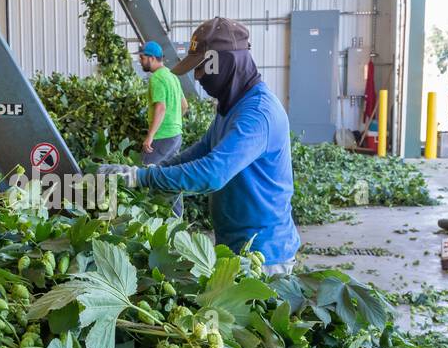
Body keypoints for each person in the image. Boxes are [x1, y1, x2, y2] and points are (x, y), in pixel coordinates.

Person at [101, 17, 300, 275]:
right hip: (233, 248)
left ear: (224, 63)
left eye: (202, 68)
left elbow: (213, 173)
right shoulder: (231, 108)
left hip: (263, 257)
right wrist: (153, 171)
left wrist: (143, 177)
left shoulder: (257, 114)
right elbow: (202, 149)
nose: (197, 77)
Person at [137, 40, 185, 216]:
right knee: (171, 175)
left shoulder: (157, 78)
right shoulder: (172, 77)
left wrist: (150, 136)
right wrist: (175, 122)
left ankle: (144, 220)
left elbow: (160, 107)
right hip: (176, 134)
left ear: (151, 58)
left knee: (144, 175)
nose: (140, 61)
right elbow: (184, 105)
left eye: (142, 58)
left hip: (162, 136)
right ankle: (176, 219)